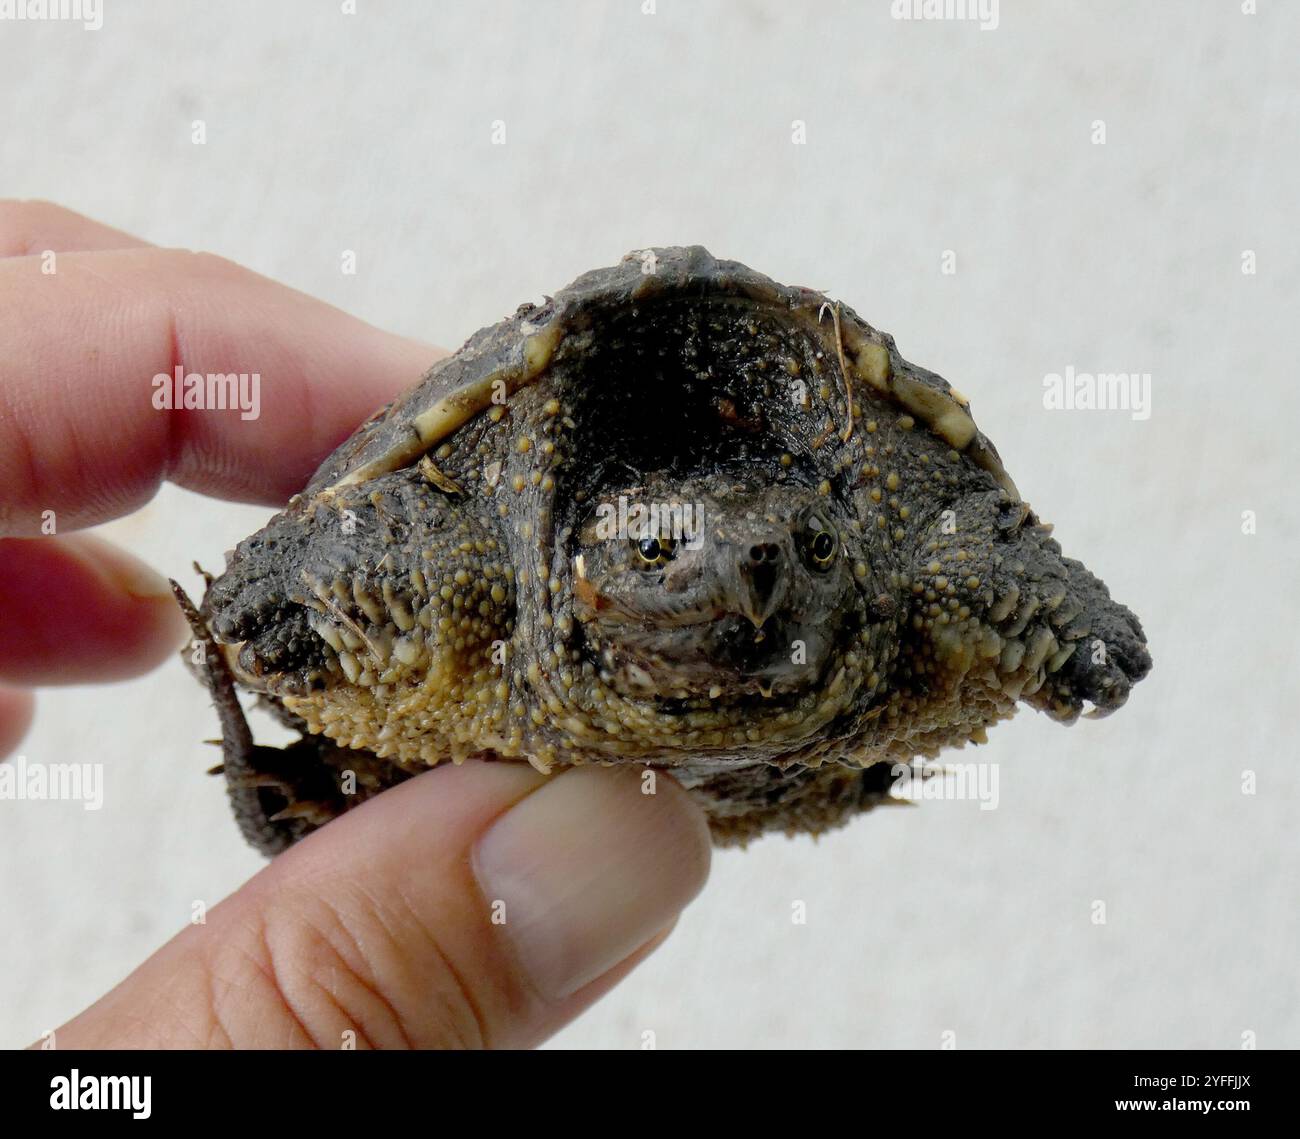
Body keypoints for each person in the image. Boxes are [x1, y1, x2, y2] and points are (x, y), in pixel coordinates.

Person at [0, 201, 711, 1049]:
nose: (734, 579)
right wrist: (275, 611)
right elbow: (295, 589)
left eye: (800, 551)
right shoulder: (470, 565)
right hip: (403, 765)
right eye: (666, 545)